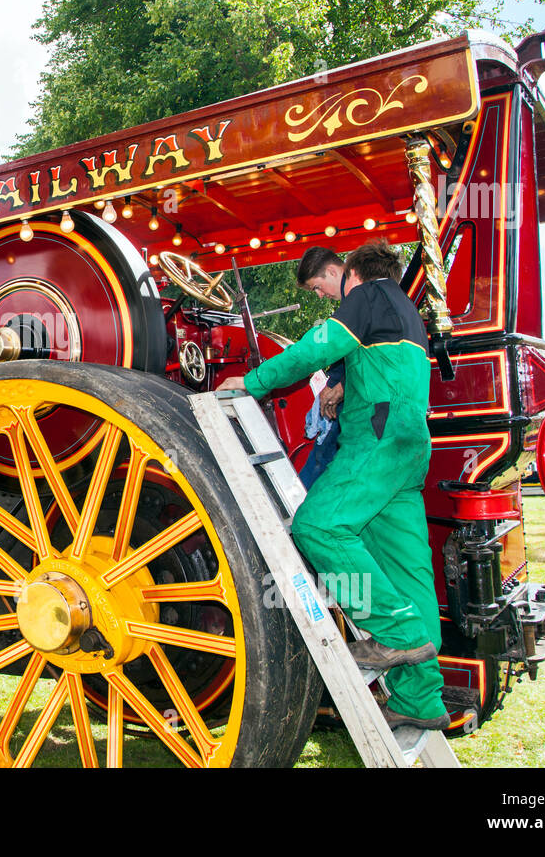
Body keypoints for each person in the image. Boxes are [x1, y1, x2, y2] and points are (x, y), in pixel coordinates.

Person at [218, 239, 448, 730]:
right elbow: (386, 368)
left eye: (323, 286)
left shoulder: (364, 298)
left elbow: (313, 349)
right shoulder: (406, 309)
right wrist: (345, 385)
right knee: (409, 570)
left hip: (376, 441)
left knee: (316, 528)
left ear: (349, 272)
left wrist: (253, 382)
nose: (326, 297)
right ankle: (422, 699)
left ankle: (394, 630)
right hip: (410, 448)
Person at [294, 247, 347, 488]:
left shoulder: (358, 303)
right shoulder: (354, 303)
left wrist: (254, 380)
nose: (319, 295)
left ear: (332, 271)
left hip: (363, 409)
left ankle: (299, 513)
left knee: (321, 463)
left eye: (317, 287)